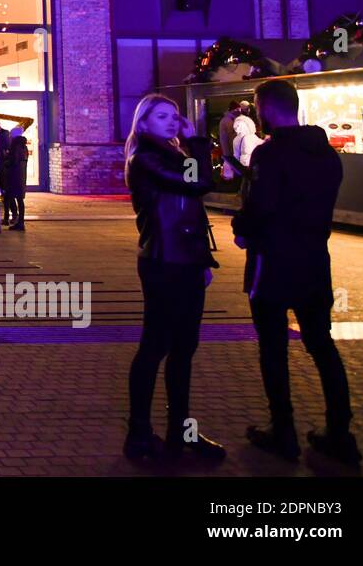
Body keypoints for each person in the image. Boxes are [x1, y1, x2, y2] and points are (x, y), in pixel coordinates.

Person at [234, 79, 358, 465]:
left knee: (273, 347)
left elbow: (261, 207)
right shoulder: (326, 155)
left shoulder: (269, 156)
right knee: (322, 344)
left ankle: (282, 429)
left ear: (266, 108)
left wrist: (243, 231)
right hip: (314, 261)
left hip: (272, 263)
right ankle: (339, 431)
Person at [122, 93, 225, 462]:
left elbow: (191, 214)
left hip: (186, 262)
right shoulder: (146, 158)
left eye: (175, 115)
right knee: (155, 347)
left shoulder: (172, 155)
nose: (171, 120)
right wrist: (197, 141)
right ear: (144, 122)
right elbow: (198, 184)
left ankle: (181, 432)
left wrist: (202, 261)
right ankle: (139, 433)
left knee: (184, 350)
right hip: (164, 263)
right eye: (162, 116)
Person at [5, 127, 30, 231]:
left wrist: (6, 159)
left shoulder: (15, 145)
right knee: (19, 199)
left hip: (14, 174)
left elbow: (13, 160)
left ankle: (19, 222)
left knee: (14, 197)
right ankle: (20, 221)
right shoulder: (24, 146)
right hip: (21, 174)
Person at [0, 126, 12, 225]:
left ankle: (7, 216)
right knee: (5, 193)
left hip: (1, 170)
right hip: (1, 170)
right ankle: (9, 215)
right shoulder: (9, 142)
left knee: (5, 193)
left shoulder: (2, 139)